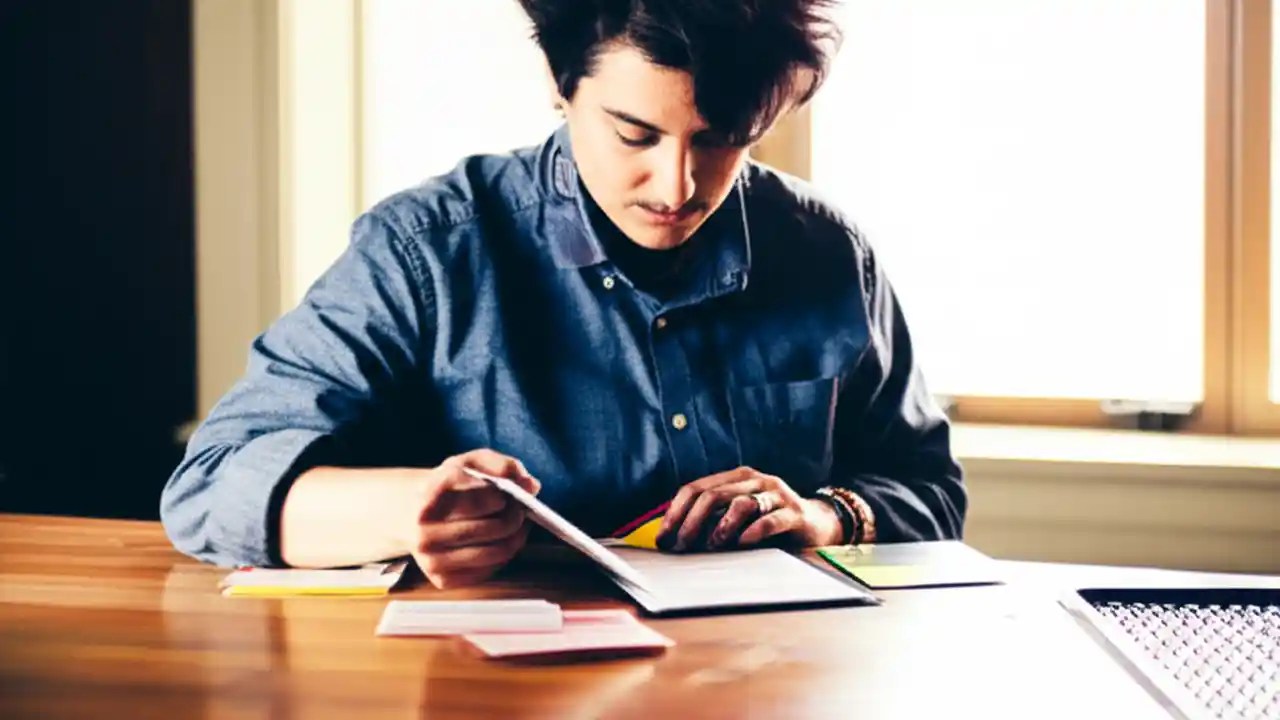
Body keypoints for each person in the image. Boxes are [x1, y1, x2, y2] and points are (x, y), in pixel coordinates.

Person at [161, 0, 966, 588]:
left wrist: (825, 518)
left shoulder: (828, 252)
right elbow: (208, 489)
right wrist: (413, 506)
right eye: (634, 134)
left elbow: (930, 494)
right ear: (558, 80)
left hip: (770, 686)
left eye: (723, 141)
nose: (677, 186)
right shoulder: (430, 248)